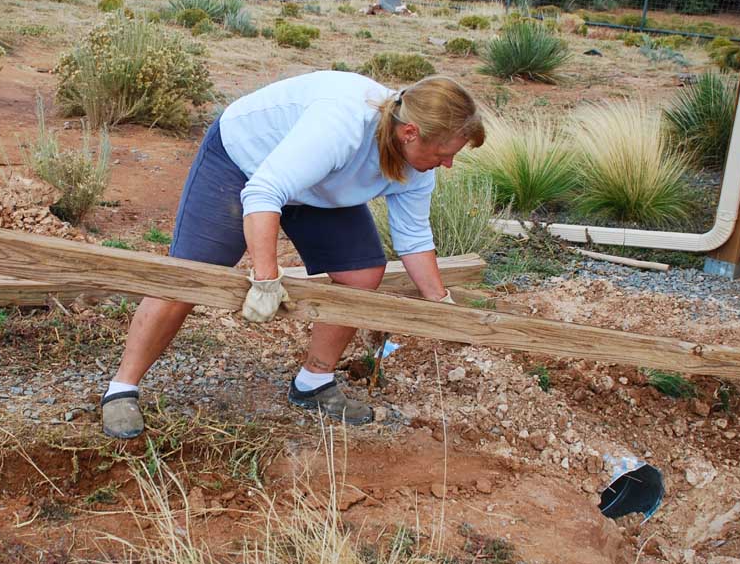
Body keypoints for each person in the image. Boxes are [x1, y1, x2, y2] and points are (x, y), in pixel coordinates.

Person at [99, 70, 486, 439]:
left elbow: (414, 237)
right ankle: (121, 388)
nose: (448, 163)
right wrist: (266, 280)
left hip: (315, 183)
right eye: (444, 153)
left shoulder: (419, 165)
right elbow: (264, 192)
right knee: (190, 273)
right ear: (410, 133)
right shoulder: (341, 126)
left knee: (362, 272)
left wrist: (441, 302)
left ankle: (313, 384)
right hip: (244, 161)